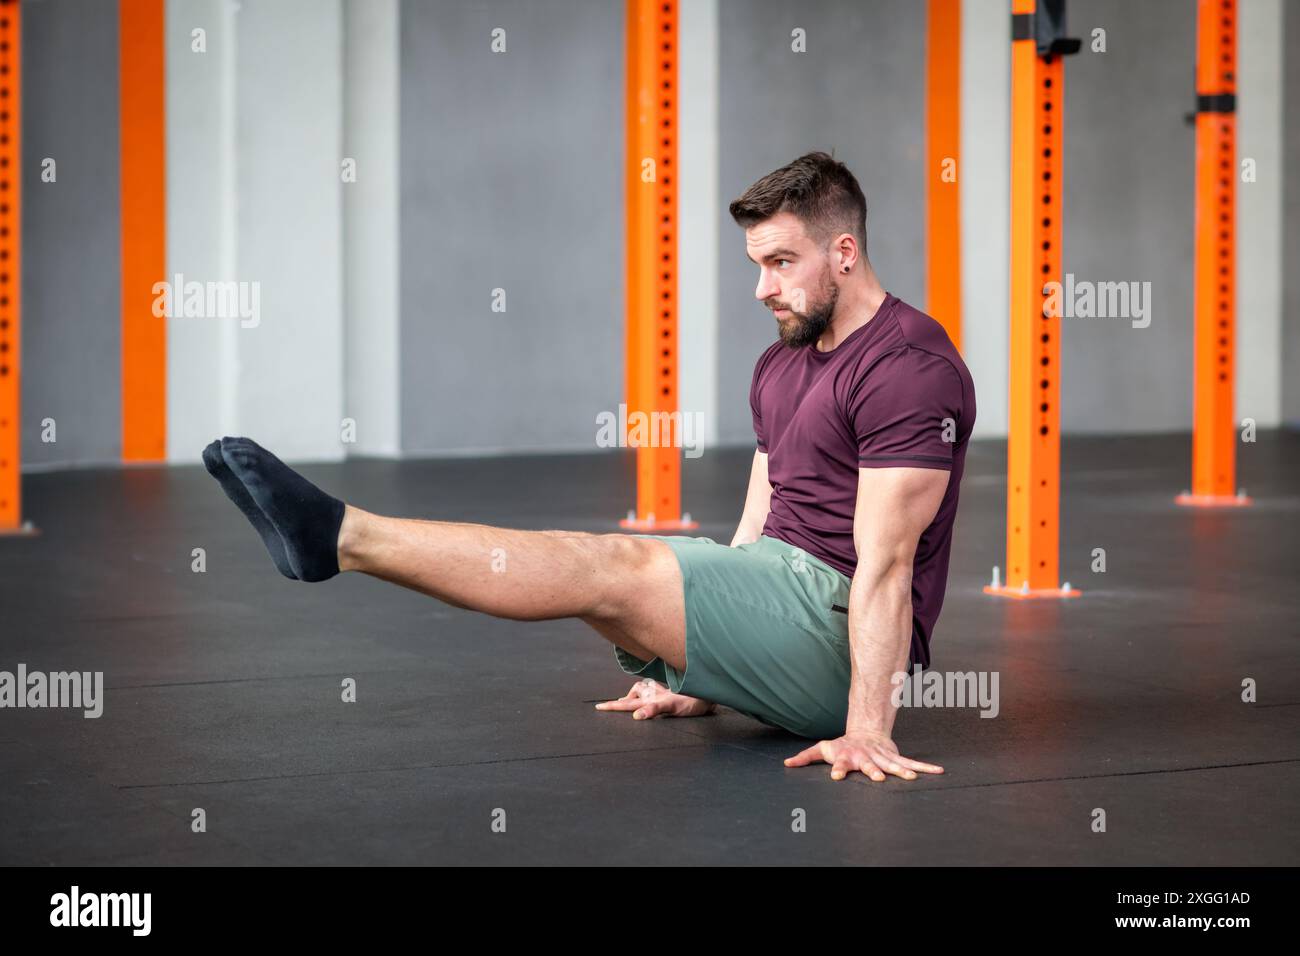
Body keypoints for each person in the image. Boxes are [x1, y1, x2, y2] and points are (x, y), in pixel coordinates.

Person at [205, 151, 975, 784]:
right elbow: (758, 526)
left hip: (840, 642)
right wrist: (705, 665)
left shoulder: (908, 368)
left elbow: (887, 564)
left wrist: (867, 729)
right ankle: (342, 540)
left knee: (609, 565)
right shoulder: (783, 360)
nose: (762, 287)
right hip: (783, 602)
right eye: (756, 263)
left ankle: (343, 538)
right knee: (607, 584)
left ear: (845, 253)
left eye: (781, 263)